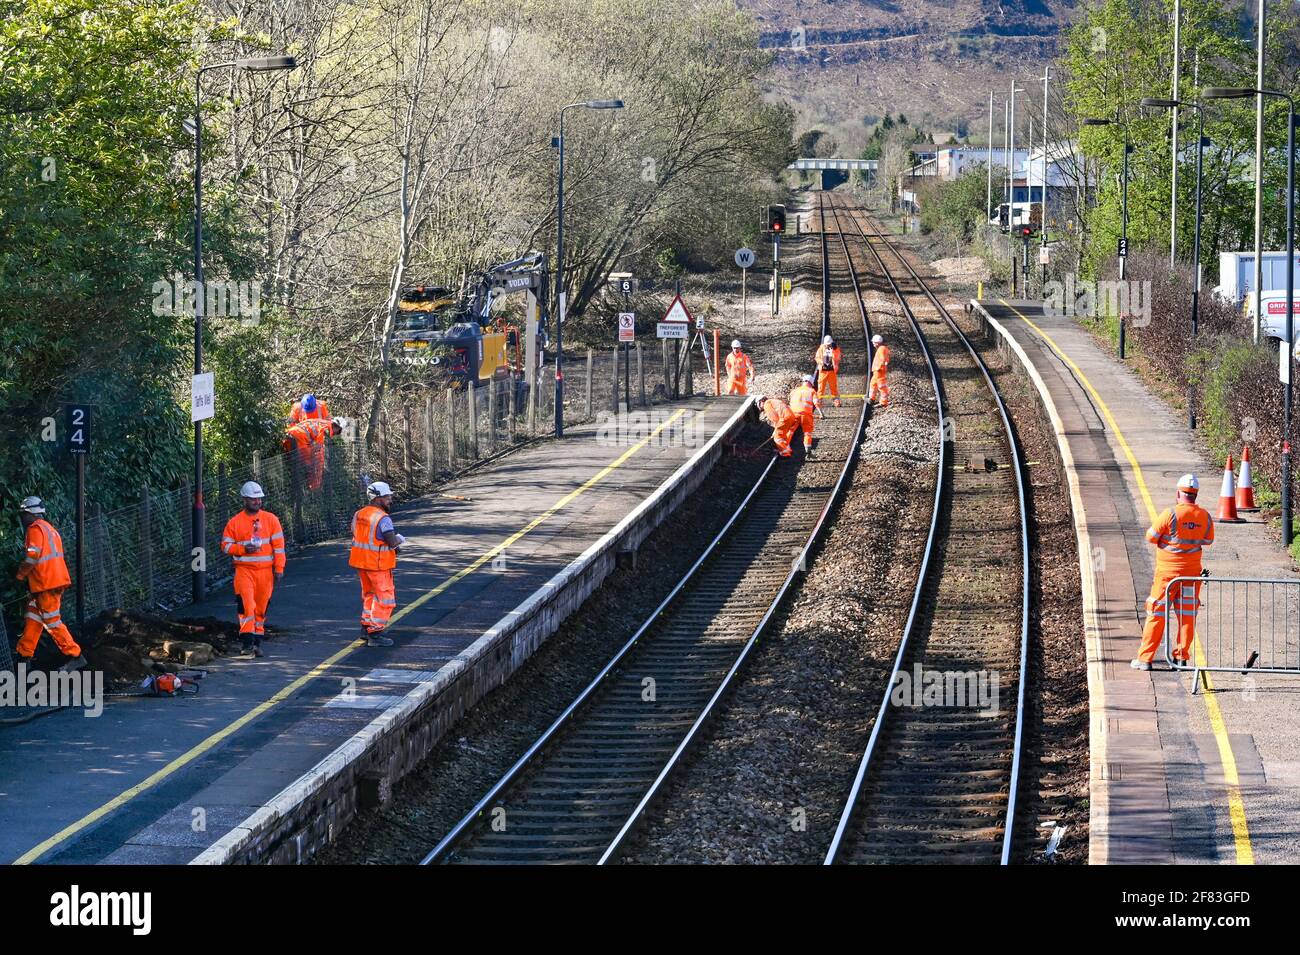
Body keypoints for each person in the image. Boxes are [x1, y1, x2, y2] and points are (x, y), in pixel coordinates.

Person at [1132, 474, 1214, 670]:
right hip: (1191, 577)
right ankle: (1181, 659)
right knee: (1187, 616)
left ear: (1178, 493)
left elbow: (1151, 536)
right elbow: (1208, 540)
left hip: (1167, 576)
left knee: (1156, 613)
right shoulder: (1205, 516)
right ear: (1195, 495)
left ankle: (1145, 659)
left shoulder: (1170, 514)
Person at [14, 497, 85, 672]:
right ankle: (24, 656)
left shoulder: (34, 529)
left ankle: (75, 655)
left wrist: (20, 575)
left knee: (52, 622)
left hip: (46, 584)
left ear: (31, 513)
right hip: (51, 582)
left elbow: (32, 557)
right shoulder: (50, 529)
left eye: (23, 514)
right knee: (33, 617)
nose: (22, 518)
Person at [219, 482, 286, 658]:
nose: (257, 502)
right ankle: (247, 644)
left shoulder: (271, 520)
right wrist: (242, 549)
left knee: (261, 609)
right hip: (244, 571)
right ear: (245, 499)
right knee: (247, 606)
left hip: (265, 573)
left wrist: (279, 567)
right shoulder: (235, 522)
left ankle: (256, 643)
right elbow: (225, 546)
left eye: (259, 498)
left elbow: (279, 546)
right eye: (253, 499)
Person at [349, 481, 406, 647]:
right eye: (387, 497)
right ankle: (375, 633)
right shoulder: (383, 518)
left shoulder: (359, 514)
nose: (390, 500)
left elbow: (358, 534)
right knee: (385, 598)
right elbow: (392, 541)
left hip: (362, 563)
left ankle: (366, 627)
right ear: (378, 498)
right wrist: (400, 539)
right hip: (378, 565)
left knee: (369, 595)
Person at [282, 420, 323, 490]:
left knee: (294, 458)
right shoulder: (318, 433)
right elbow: (308, 458)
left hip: (289, 433)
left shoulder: (311, 424)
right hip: (298, 436)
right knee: (302, 462)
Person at [754, 393, 797, 458]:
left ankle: (785, 453)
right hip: (791, 417)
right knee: (783, 435)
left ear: (761, 401)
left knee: (777, 438)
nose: (759, 407)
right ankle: (788, 449)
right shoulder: (773, 401)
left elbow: (775, 419)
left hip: (784, 419)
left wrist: (776, 430)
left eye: (758, 404)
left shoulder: (767, 405)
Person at [788, 373, 821, 456]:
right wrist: (821, 413)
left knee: (790, 431)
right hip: (806, 415)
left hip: (794, 414)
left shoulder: (794, 391)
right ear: (811, 382)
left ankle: (784, 447)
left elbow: (790, 402)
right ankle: (808, 451)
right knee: (807, 433)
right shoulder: (812, 391)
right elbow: (816, 403)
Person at [814, 334, 843, 408]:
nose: (828, 345)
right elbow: (817, 358)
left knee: (833, 387)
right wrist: (822, 362)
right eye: (827, 344)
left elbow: (838, 358)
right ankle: (819, 401)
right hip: (823, 371)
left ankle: (836, 401)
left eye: (829, 344)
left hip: (832, 370)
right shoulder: (821, 348)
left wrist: (835, 350)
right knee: (821, 387)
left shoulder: (835, 349)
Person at [868, 334, 890, 407]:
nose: (873, 344)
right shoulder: (883, 348)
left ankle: (883, 402)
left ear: (877, 343)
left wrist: (879, 367)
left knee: (881, 386)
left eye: (874, 342)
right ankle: (871, 399)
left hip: (879, 370)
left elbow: (883, 360)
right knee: (873, 384)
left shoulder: (881, 349)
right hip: (877, 370)